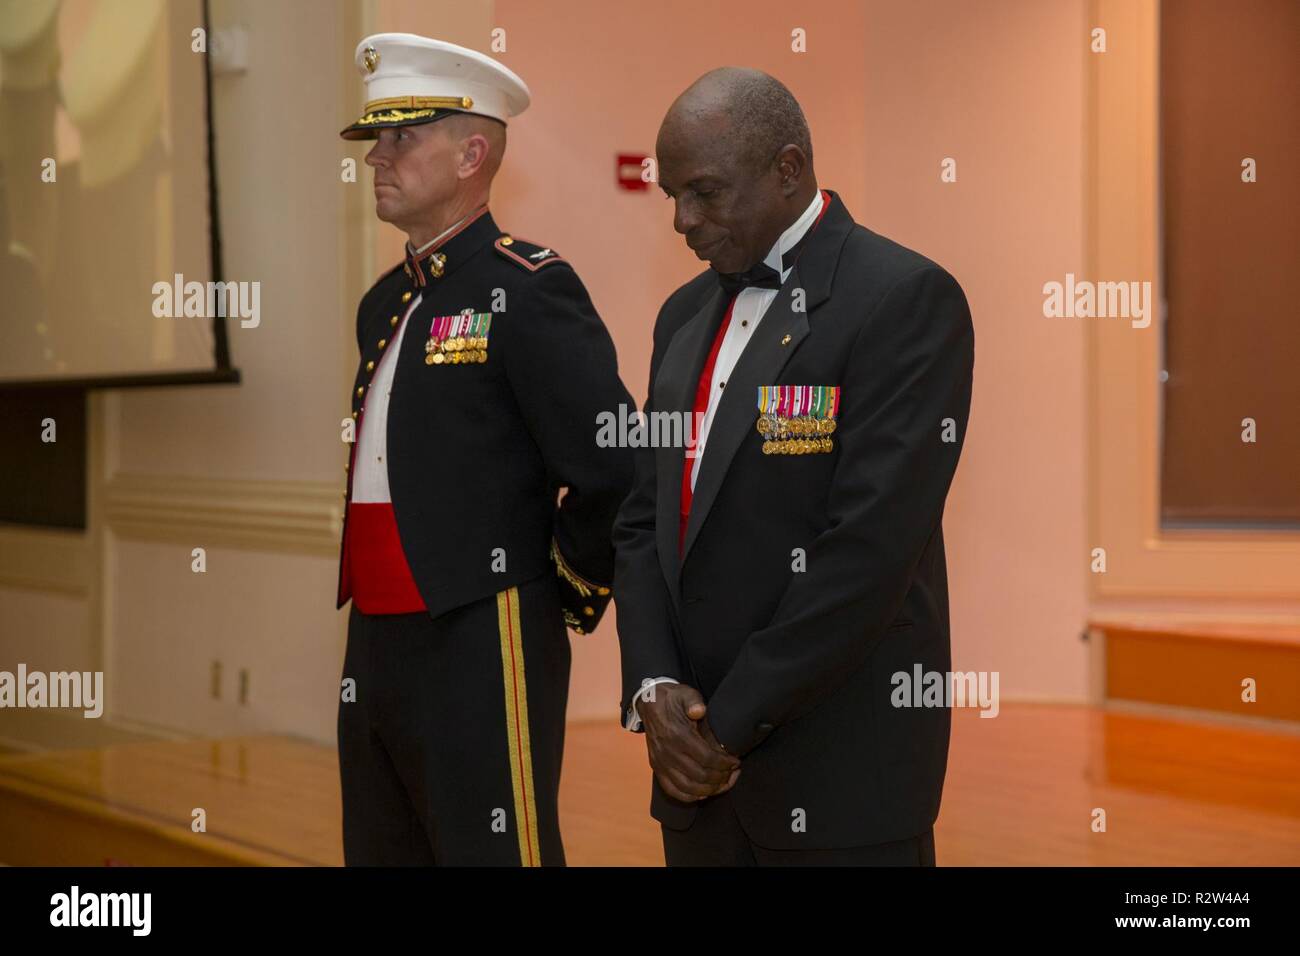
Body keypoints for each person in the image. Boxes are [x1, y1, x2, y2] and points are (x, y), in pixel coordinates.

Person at [614, 67, 974, 865]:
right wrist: (656, 692)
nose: (682, 219)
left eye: (704, 192)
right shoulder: (681, 315)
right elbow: (643, 520)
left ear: (788, 168)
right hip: (692, 779)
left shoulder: (904, 298)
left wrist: (721, 728)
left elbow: (868, 552)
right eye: (671, 194)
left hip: (839, 769)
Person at [335, 33, 633, 865]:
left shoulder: (529, 287)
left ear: (473, 153)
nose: (377, 160)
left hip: (482, 625)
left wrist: (558, 588)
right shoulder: (385, 302)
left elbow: (612, 460)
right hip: (375, 632)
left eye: (402, 137)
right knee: (383, 846)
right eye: (374, 140)